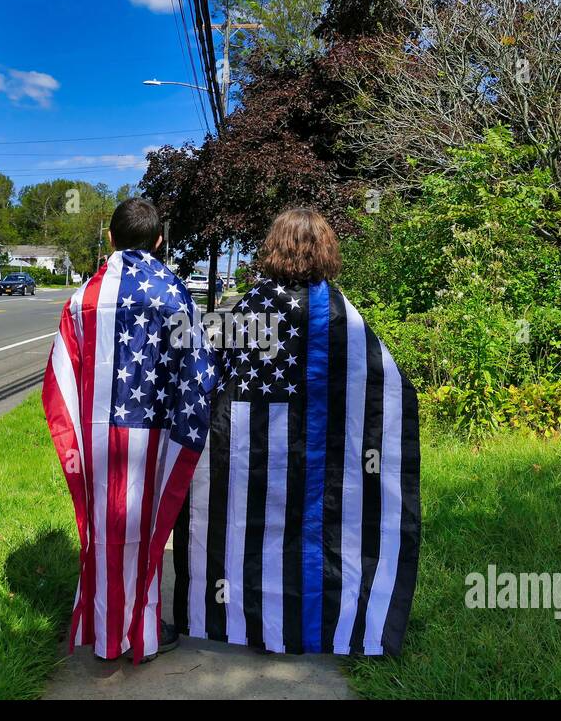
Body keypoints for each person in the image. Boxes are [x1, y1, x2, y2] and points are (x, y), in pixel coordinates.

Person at [172, 208, 422, 655]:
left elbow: (205, 370)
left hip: (253, 453)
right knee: (306, 534)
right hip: (320, 458)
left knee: (254, 533)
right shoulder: (341, 312)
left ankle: (259, 627)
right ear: (325, 250)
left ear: (275, 248)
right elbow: (388, 383)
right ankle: (320, 627)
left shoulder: (250, 305)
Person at [42, 197, 215, 663]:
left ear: (111, 238)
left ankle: (102, 623)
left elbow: (59, 381)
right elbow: (199, 377)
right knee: (148, 527)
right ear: (158, 241)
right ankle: (141, 625)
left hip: (99, 439)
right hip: (157, 438)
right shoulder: (176, 296)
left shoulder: (83, 301)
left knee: (103, 529)